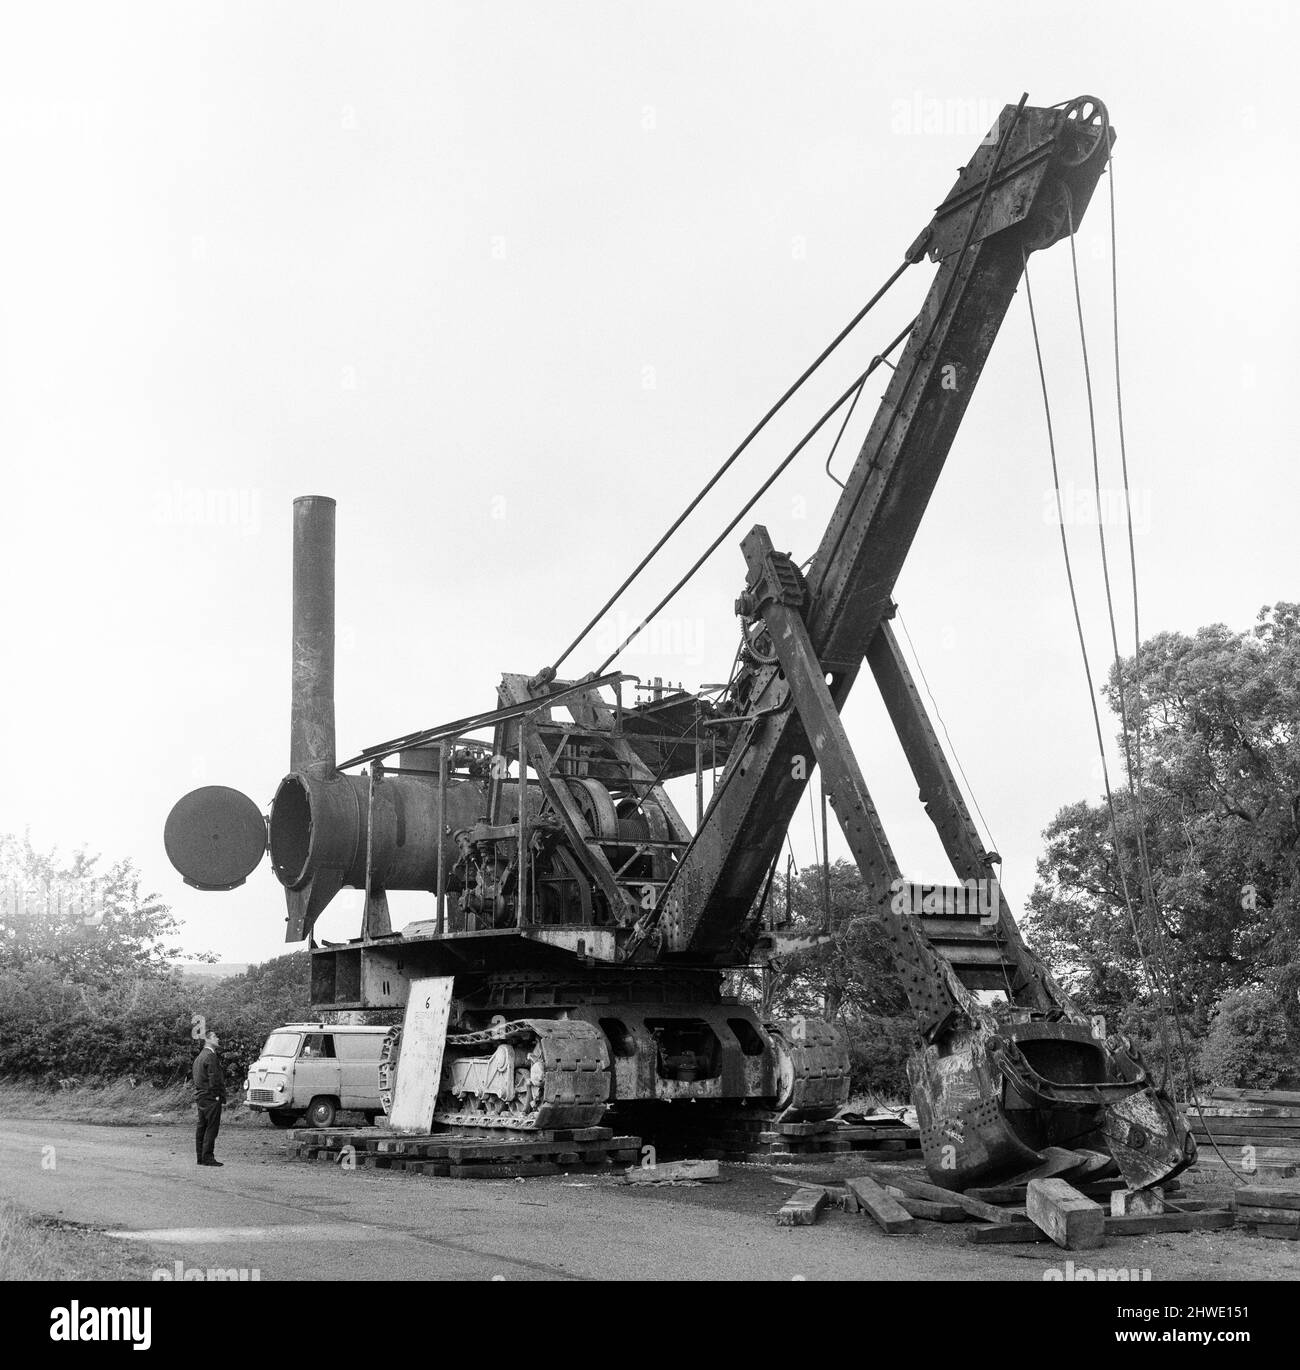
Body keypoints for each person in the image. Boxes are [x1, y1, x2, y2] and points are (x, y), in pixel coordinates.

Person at [193, 1030, 228, 1167]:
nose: (218, 1039)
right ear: (207, 1039)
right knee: (211, 1128)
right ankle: (208, 1157)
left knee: (202, 1126)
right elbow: (215, 1078)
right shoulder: (211, 1056)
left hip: (201, 1096)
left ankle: (200, 1157)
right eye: (215, 1036)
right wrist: (218, 1095)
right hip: (210, 1097)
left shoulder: (199, 1057)